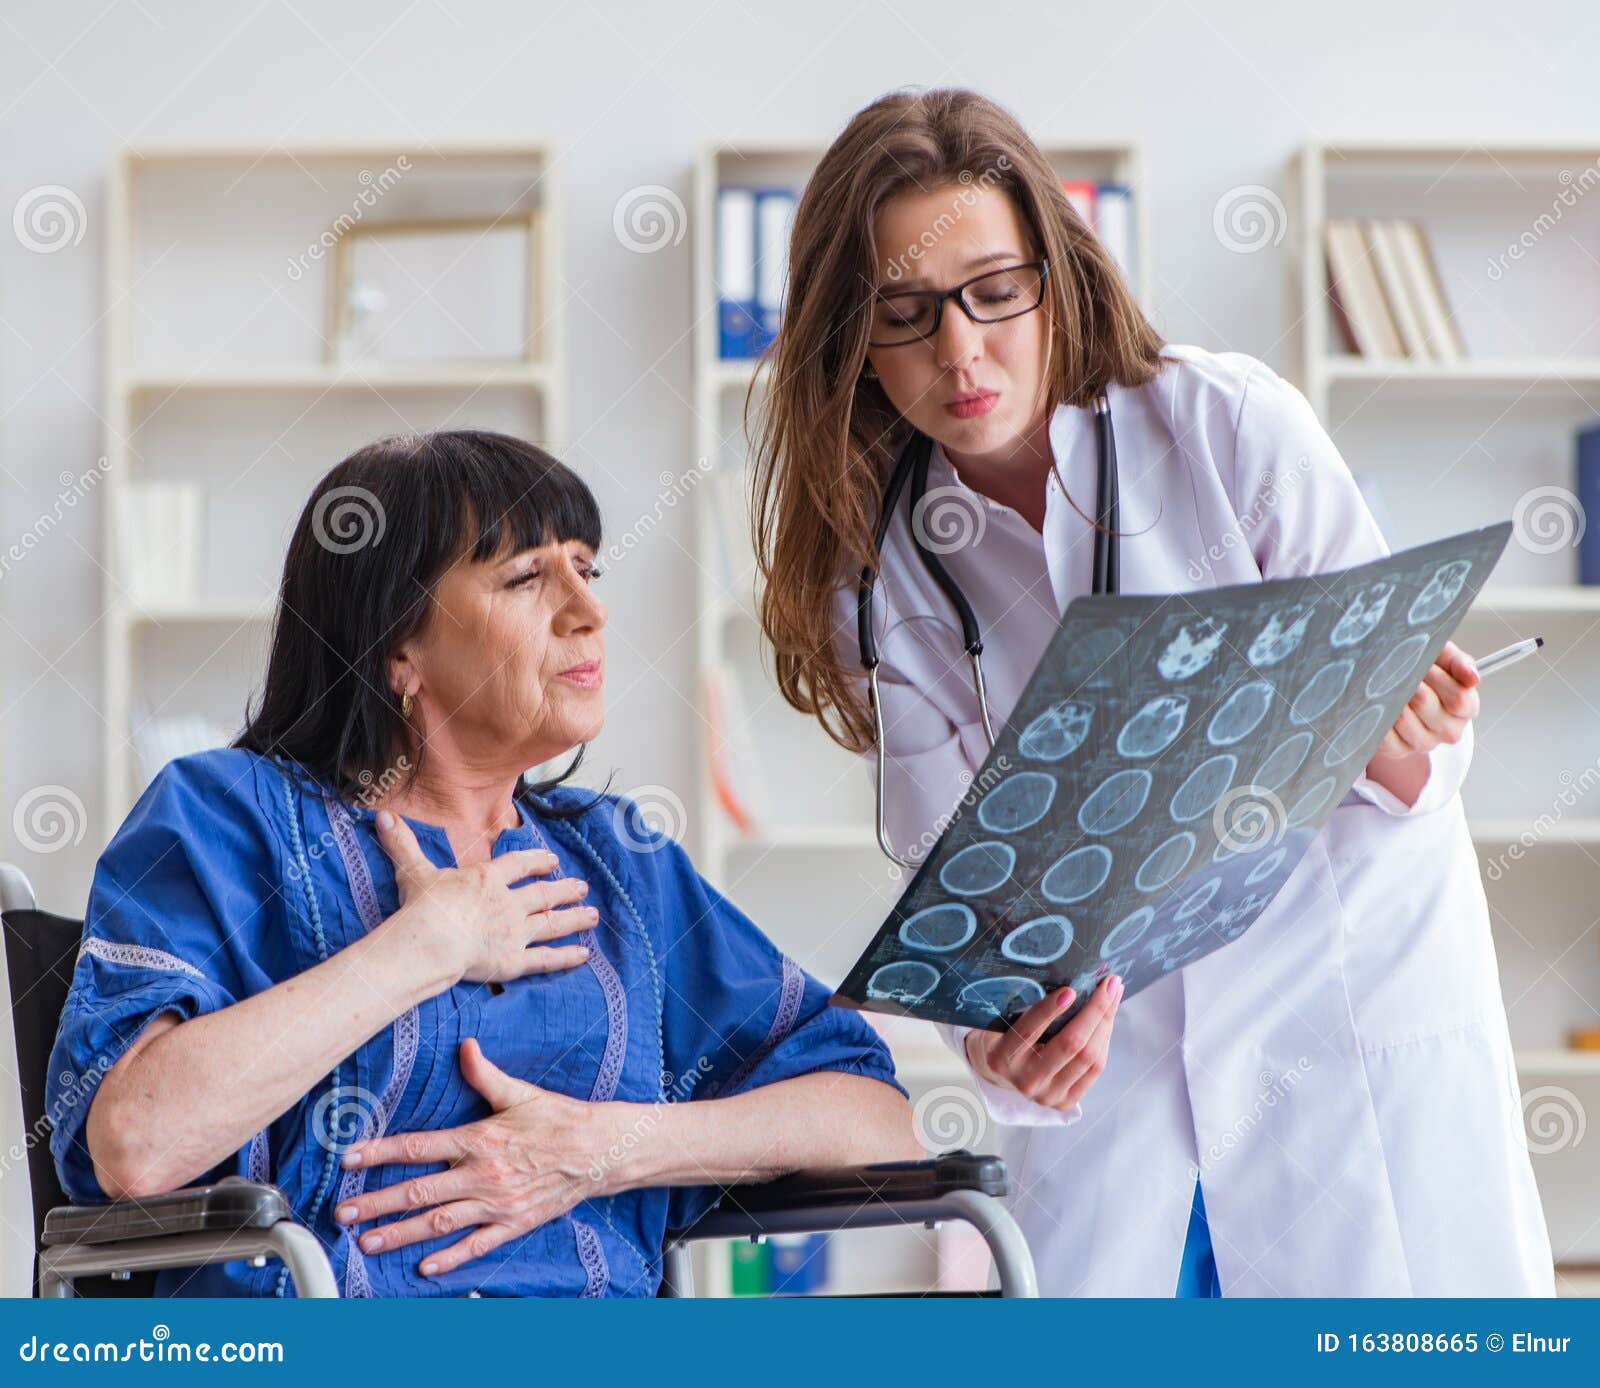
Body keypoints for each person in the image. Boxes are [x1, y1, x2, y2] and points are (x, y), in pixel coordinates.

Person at [747, 86, 1554, 1296]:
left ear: (1056, 269)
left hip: (1334, 1015)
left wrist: (1412, 725)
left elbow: (1398, 755)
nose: (959, 351)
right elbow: (963, 898)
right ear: (848, 338)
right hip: (1118, 1089)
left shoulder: (1224, 425)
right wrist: (999, 1040)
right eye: (903, 314)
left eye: (993, 290)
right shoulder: (880, 573)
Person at [48, 429, 919, 1297]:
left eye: (587, 567)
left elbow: (875, 1120)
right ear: (400, 649)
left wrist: (602, 1151)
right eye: (526, 577)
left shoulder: (617, 859)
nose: (589, 610)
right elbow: (136, 1145)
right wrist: (426, 946)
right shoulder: (230, 816)